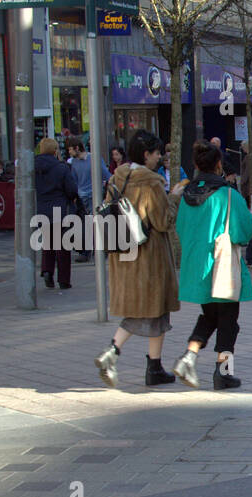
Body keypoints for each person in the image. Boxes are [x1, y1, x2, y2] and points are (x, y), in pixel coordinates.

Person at [94, 129, 183, 388]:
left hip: (124, 254)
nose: (160, 158)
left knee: (150, 311)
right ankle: (114, 352)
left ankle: (153, 366)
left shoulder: (117, 177)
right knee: (153, 307)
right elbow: (163, 221)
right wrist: (174, 197)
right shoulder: (151, 182)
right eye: (157, 154)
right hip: (149, 258)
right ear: (147, 154)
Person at [171, 141, 252, 390]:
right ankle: (223, 373)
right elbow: (244, 230)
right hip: (223, 265)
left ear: (196, 165)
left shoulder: (186, 197)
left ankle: (189, 356)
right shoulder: (228, 194)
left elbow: (180, 229)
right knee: (228, 320)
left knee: (209, 315)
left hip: (196, 266)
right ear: (219, 164)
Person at [35, 138, 80, 289]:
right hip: (60, 209)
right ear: (55, 151)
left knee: (48, 242)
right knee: (63, 245)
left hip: (41, 209)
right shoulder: (61, 167)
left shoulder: (33, 167)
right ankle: (63, 279)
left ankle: (47, 270)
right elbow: (72, 189)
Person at [66, 137, 110, 262]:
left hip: (93, 195)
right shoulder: (73, 162)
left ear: (77, 148)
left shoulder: (94, 158)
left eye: (70, 149)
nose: (69, 152)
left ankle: (97, 249)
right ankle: (89, 250)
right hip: (81, 196)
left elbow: (105, 174)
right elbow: (74, 180)